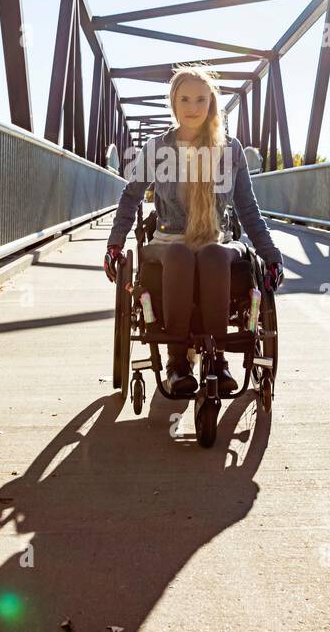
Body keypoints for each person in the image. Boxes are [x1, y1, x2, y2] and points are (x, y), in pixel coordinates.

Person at [103, 63, 284, 397]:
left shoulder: (231, 151)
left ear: (211, 103)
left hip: (218, 240)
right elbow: (130, 198)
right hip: (168, 240)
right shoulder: (156, 149)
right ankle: (177, 362)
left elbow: (248, 209)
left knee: (214, 254)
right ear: (173, 103)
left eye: (201, 100)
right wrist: (115, 246)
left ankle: (218, 362)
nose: (193, 108)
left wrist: (271, 256)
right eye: (185, 99)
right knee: (180, 254)